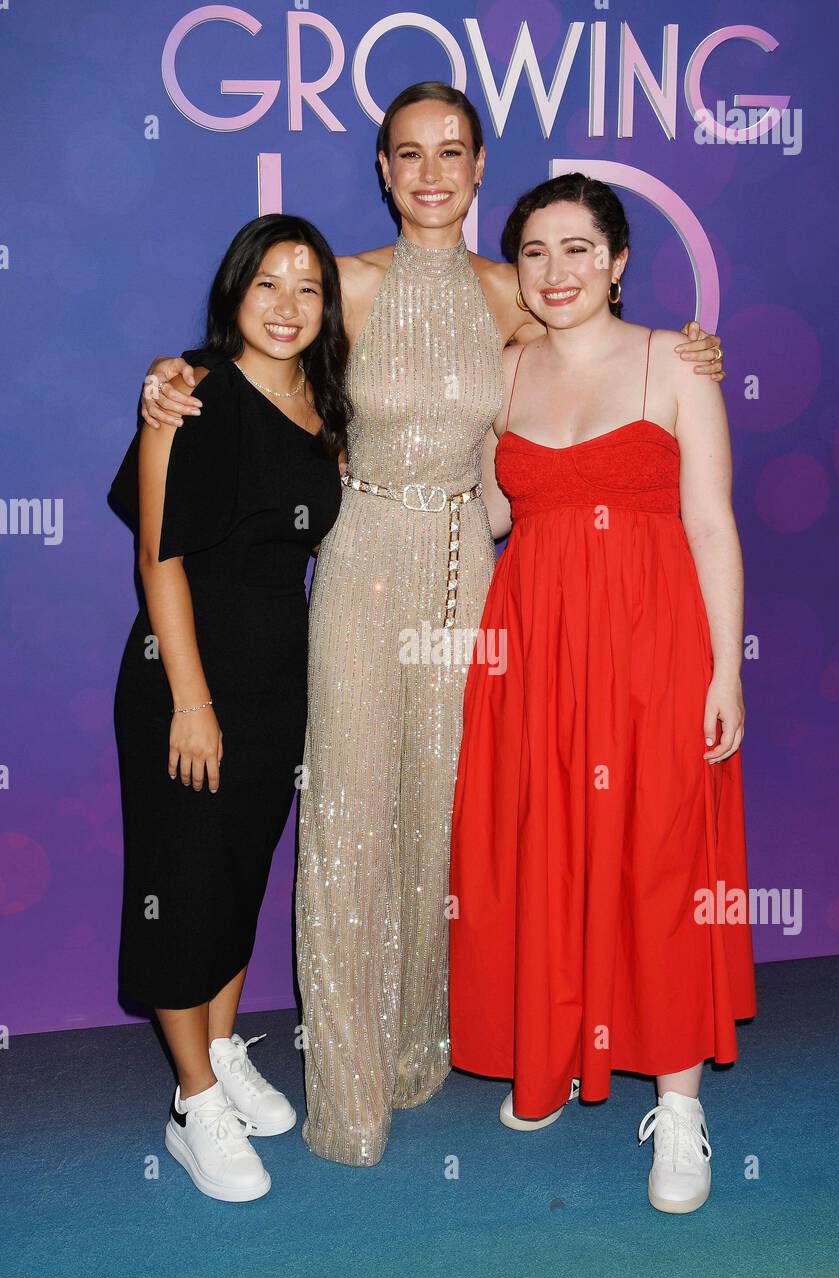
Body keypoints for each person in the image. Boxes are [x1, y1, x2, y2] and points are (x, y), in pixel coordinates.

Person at [135, 84, 726, 1167]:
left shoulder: (515, 294)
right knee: (354, 818)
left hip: (475, 575)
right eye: (409, 154)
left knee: (451, 817)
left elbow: (581, 371)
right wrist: (177, 380)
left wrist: (690, 353)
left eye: (452, 151)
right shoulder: (345, 286)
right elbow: (262, 365)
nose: (432, 173)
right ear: (382, 168)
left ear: (479, 162)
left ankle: (423, 1045)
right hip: (364, 568)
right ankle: (352, 1079)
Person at [448, 174, 756, 1214]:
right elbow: (491, 510)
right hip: (533, 652)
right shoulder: (505, 371)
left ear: (618, 261)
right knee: (547, 850)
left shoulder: (675, 359)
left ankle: (678, 1103)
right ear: (517, 270)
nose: (558, 271)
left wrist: (725, 667)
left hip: (655, 647)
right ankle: (555, 1045)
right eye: (535, 252)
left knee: (662, 858)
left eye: (579, 249)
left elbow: (711, 520)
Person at [109, 214, 348, 1200]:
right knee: (181, 876)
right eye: (268, 285)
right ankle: (192, 1100)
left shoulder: (329, 412)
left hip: (279, 678)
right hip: (186, 674)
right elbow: (158, 557)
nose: (288, 306)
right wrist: (190, 701)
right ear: (235, 294)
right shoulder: (192, 392)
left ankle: (220, 1045)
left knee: (240, 875)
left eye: (308, 288)